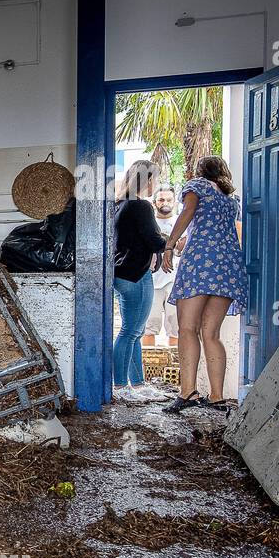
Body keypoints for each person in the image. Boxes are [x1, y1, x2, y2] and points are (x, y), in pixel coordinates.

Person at [162, 156, 246, 413]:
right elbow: (224, 229)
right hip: (228, 266)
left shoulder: (196, 187)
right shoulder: (231, 200)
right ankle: (217, 397)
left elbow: (188, 213)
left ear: (201, 172)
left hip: (200, 263)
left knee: (187, 328)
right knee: (211, 334)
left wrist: (169, 244)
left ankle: (187, 392)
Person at [111, 160, 170, 401]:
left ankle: (136, 384)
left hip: (122, 273)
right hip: (135, 274)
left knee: (134, 331)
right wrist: (172, 242)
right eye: (154, 179)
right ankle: (121, 387)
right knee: (130, 331)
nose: (155, 185)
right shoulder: (141, 206)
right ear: (146, 180)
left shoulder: (121, 204)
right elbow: (154, 240)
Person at [142, 186, 182, 349]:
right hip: (152, 280)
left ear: (174, 202)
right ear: (154, 202)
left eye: (169, 199)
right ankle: (150, 369)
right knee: (149, 327)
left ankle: (176, 368)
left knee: (176, 328)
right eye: (161, 199)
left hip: (176, 281)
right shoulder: (149, 223)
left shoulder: (181, 222)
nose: (165, 203)